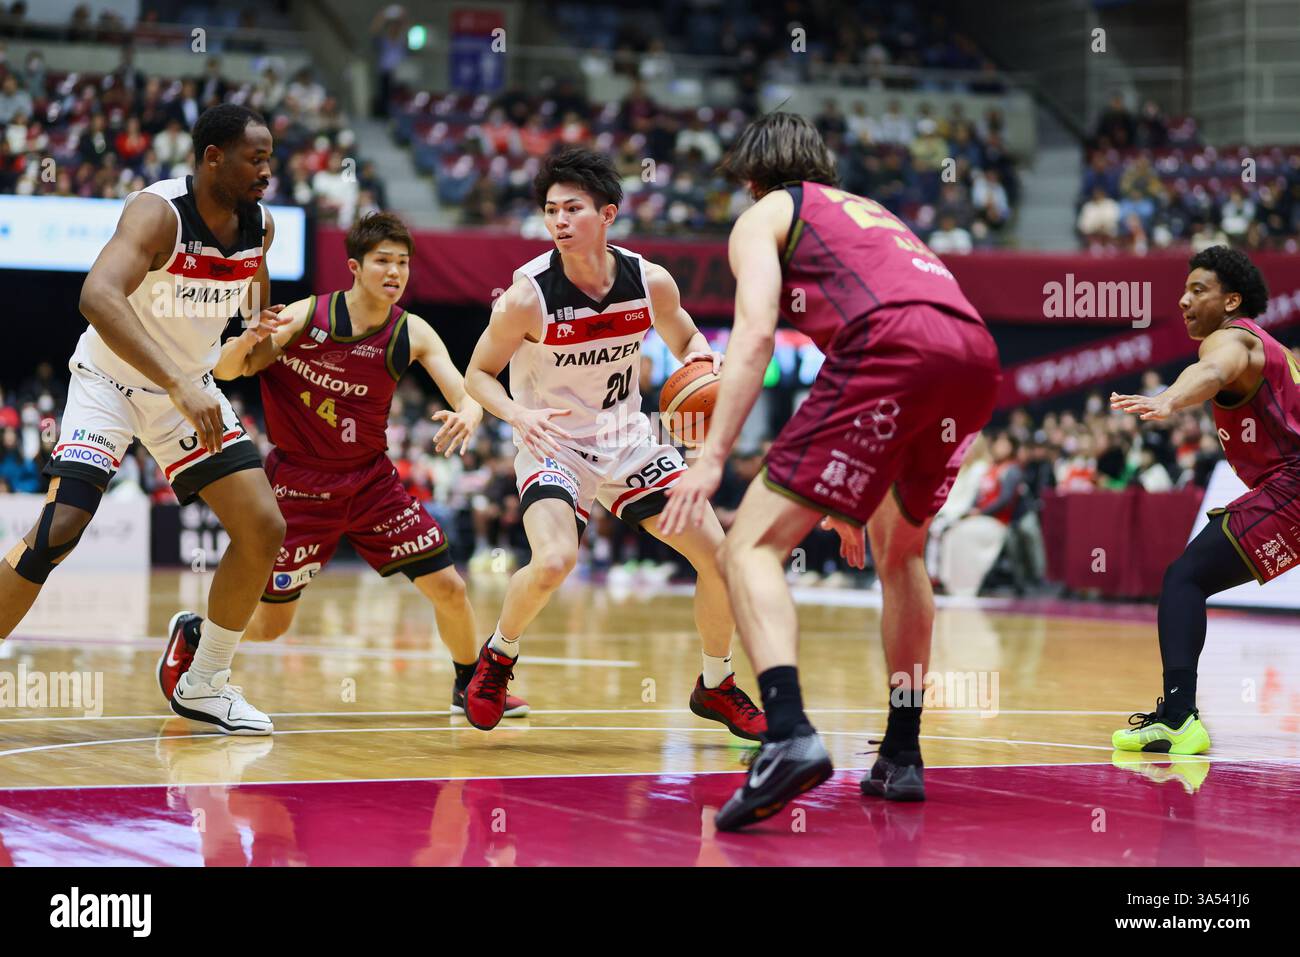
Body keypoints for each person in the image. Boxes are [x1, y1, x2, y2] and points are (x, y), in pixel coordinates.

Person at [660, 112, 1002, 830]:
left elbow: (753, 335)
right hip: (972, 354)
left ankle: (787, 733)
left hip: (892, 343)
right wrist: (850, 492)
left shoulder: (765, 215)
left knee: (748, 545)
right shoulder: (877, 215)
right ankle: (902, 754)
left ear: (752, 177)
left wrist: (713, 456)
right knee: (902, 554)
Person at [159, 212, 529, 719]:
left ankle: (469, 684)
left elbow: (463, 387)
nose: (395, 272)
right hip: (300, 486)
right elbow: (225, 369)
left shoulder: (411, 331)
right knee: (271, 627)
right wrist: (248, 339)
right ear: (355, 267)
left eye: (403, 263)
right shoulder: (303, 318)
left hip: (372, 482)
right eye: (383, 262)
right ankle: (197, 632)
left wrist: (467, 413)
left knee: (450, 586)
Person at [461, 147, 766, 738]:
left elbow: (686, 337)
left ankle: (716, 683)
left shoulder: (649, 282)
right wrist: (516, 413)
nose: (559, 221)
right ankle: (497, 657)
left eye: (573, 208)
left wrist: (704, 360)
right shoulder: (527, 296)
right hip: (554, 443)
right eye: (551, 210)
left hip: (629, 442)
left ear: (608, 214)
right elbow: (476, 375)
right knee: (554, 561)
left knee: (722, 561)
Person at [0, 104, 285, 734]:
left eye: (270, 157)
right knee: (61, 527)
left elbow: (251, 324)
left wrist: (265, 338)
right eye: (255, 158)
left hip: (185, 392)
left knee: (263, 528)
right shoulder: (157, 212)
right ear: (213, 157)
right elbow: (97, 295)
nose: (268, 170)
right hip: (110, 382)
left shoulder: (260, 228)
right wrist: (181, 380)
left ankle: (204, 682)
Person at [1109, 246, 1282, 755]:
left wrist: (1167, 398)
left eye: (1198, 291)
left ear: (1231, 301)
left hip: (1291, 487)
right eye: (1184, 291)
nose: (1184, 301)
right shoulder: (1273, 349)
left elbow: (1211, 372)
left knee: (1186, 577)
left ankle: (1180, 717)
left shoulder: (1232, 340)